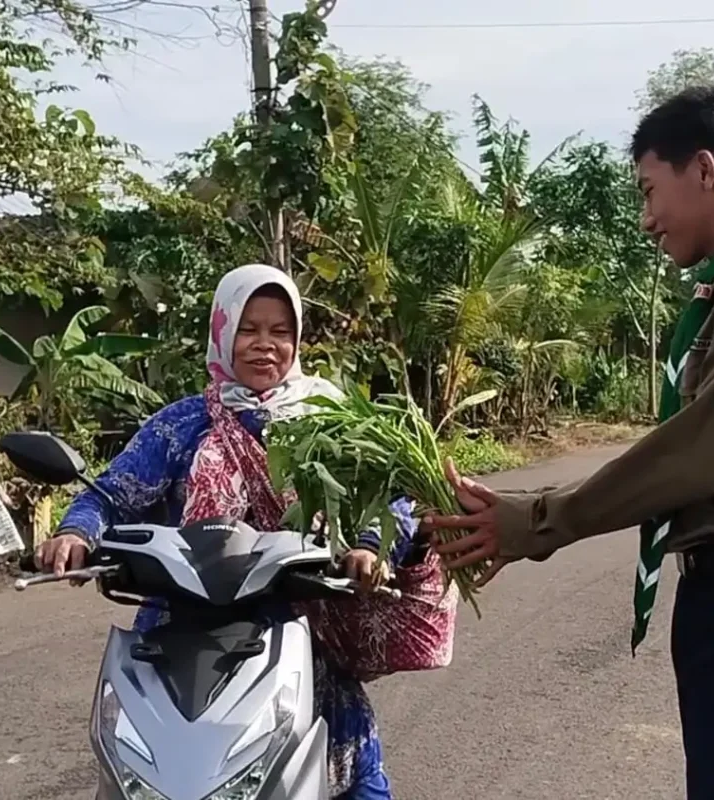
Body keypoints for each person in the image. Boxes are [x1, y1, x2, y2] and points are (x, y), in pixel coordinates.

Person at [425, 85, 714, 800]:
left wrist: (536, 520)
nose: (645, 218)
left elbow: (696, 453)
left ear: (703, 170)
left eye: (648, 190)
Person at [37, 263, 435, 799]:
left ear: (297, 340)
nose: (264, 345)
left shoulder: (329, 419)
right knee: (133, 756)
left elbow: (387, 497)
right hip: (180, 619)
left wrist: (368, 546)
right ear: (223, 331)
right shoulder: (182, 425)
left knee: (355, 756)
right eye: (248, 329)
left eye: (280, 332)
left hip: (293, 618)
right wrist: (76, 532)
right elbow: (111, 493)